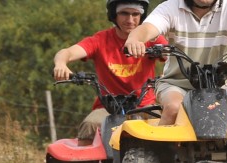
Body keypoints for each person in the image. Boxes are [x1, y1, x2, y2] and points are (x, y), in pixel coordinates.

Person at [122, 0, 227, 126]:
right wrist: (134, 39)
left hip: (224, 82)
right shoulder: (171, 7)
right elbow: (147, 28)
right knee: (173, 108)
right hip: (178, 83)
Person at [52, 0, 167, 145]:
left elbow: (172, 56)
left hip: (145, 106)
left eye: (135, 14)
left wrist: (167, 73)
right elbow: (66, 52)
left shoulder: (151, 38)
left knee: (165, 129)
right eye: (124, 13)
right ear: (114, 15)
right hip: (107, 108)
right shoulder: (101, 40)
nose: (130, 20)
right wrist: (61, 64)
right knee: (90, 125)